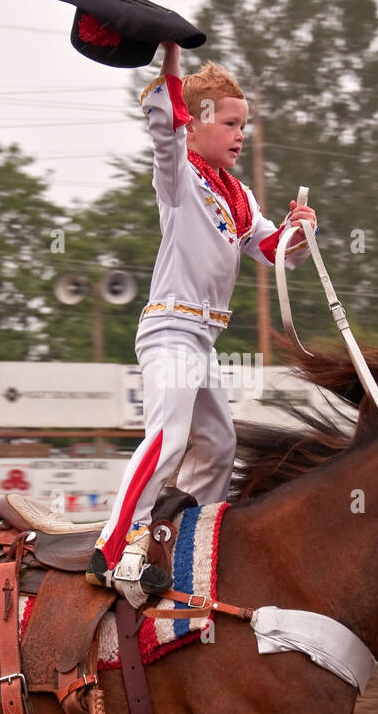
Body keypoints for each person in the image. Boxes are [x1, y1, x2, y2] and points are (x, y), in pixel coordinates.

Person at [88, 40, 319, 599]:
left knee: (218, 444)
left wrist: (302, 232)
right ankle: (113, 547)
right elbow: (165, 127)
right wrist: (169, 52)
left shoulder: (237, 195)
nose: (243, 134)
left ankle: (188, 539)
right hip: (169, 330)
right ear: (195, 125)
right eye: (232, 123)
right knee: (168, 436)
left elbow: (275, 251)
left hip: (203, 340)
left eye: (246, 124)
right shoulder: (180, 178)